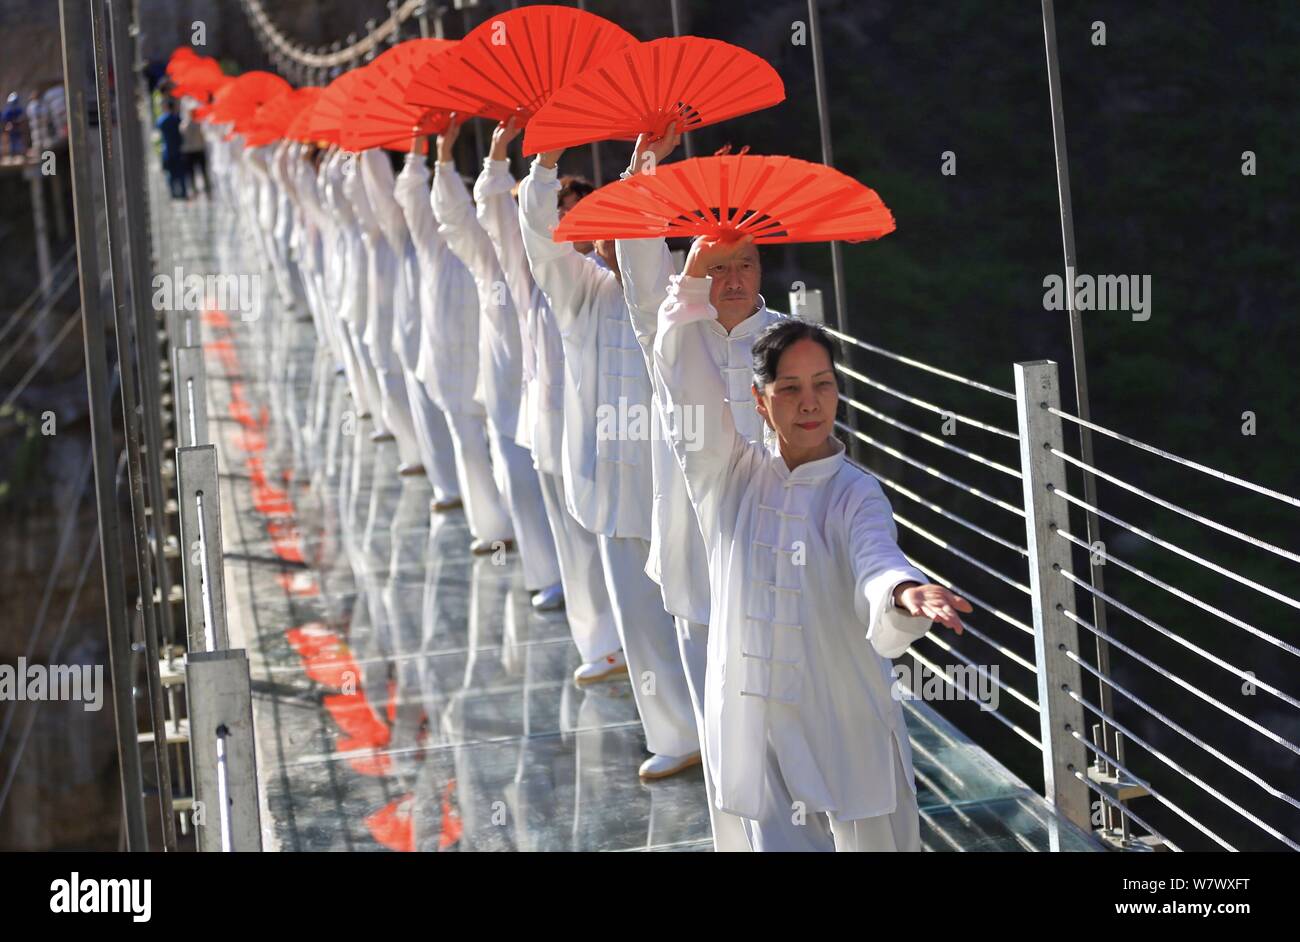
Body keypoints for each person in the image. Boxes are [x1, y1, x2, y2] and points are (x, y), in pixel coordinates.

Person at [653, 234, 972, 851]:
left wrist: (904, 591)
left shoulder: (855, 492)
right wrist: (690, 283)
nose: (810, 404)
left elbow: (877, 557)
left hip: (841, 712)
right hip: (758, 715)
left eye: (822, 385)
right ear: (759, 401)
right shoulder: (728, 475)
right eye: (790, 389)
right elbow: (685, 389)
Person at [614, 124, 828, 850]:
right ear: (700, 269)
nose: (735, 278)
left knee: (791, 724)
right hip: (700, 561)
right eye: (720, 265)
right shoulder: (670, 331)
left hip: (780, 557)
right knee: (727, 733)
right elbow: (643, 269)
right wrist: (645, 167)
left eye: (746, 263)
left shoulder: (789, 334)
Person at [519, 141, 700, 781]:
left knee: (699, 618)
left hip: (685, 484)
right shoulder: (581, 294)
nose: (606, 244)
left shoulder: (679, 289)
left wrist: (643, 169)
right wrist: (540, 166)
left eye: (616, 229)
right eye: (595, 234)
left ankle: (730, 736)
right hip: (619, 490)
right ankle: (678, 736)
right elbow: (540, 239)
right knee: (644, 626)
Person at [472, 116, 623, 670]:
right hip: (555, 419)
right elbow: (498, 209)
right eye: (562, 212)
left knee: (616, 535)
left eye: (581, 211)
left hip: (618, 428)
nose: (570, 221)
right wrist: (506, 151)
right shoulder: (533, 273)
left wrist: (647, 157)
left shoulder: (616, 280)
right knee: (573, 533)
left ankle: (632, 636)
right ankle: (602, 643)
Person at [432, 119, 563, 591]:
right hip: (510, 385)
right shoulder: (497, 260)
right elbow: (461, 214)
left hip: (566, 396)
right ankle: (545, 575)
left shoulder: (577, 270)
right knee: (522, 482)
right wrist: (492, 152)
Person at [155, 99, 186, 199]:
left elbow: (158, 126)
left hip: (167, 150)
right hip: (178, 149)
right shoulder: (177, 118)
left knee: (170, 174)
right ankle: (183, 193)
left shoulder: (162, 120)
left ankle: (173, 194)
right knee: (180, 173)